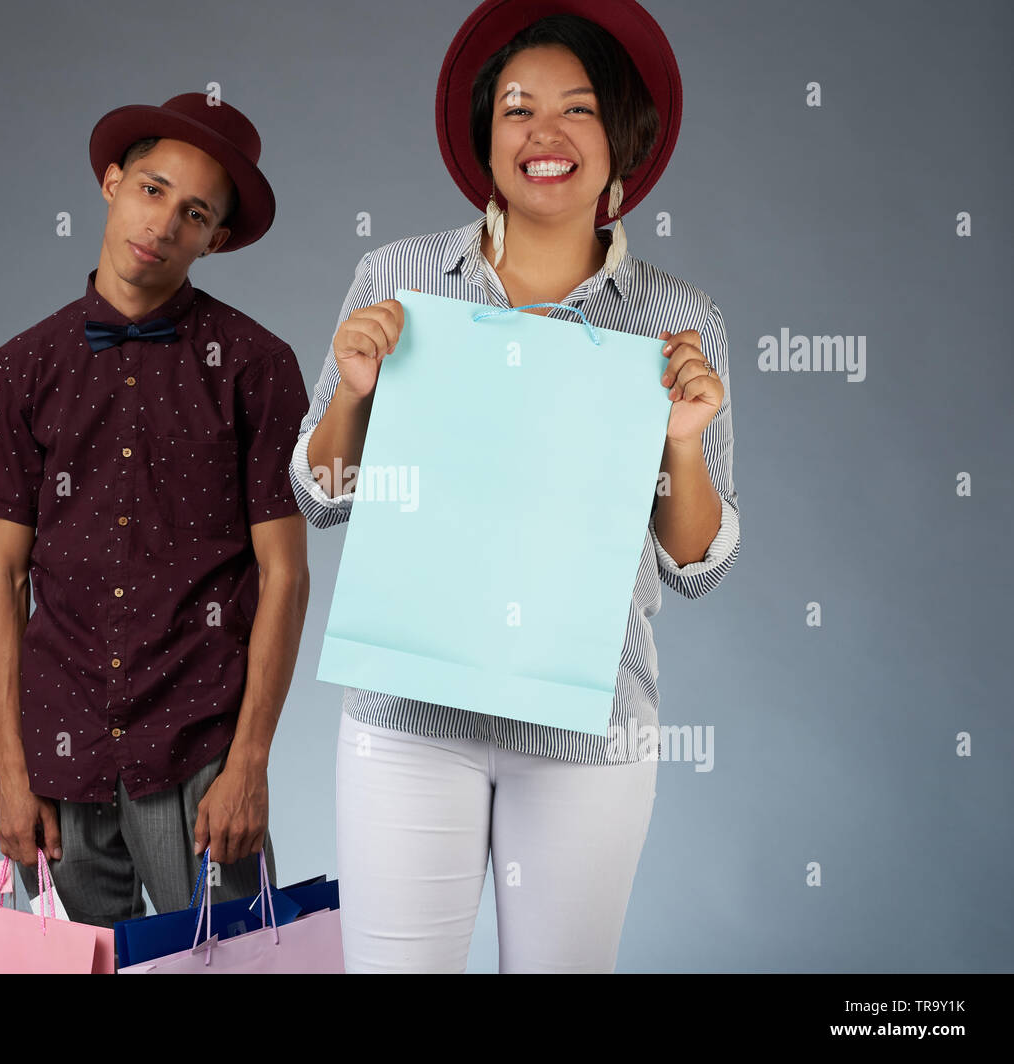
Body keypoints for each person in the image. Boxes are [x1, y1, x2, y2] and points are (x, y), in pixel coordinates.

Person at [289, 0, 740, 972]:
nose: (545, 133)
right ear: (484, 141)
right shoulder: (399, 275)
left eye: (577, 109)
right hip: (408, 720)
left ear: (621, 141)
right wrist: (355, 398)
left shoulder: (677, 317)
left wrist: (684, 442)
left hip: (588, 732)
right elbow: (322, 495)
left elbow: (695, 563)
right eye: (516, 109)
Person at [0, 93, 311, 940]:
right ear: (112, 183)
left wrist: (250, 761)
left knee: (235, 966)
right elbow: (1, 577)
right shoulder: (20, 366)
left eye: (195, 213)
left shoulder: (259, 366)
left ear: (215, 238)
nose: (164, 224)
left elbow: (286, 574)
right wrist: (10, 768)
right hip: (59, 749)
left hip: (201, 744)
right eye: (152, 190)